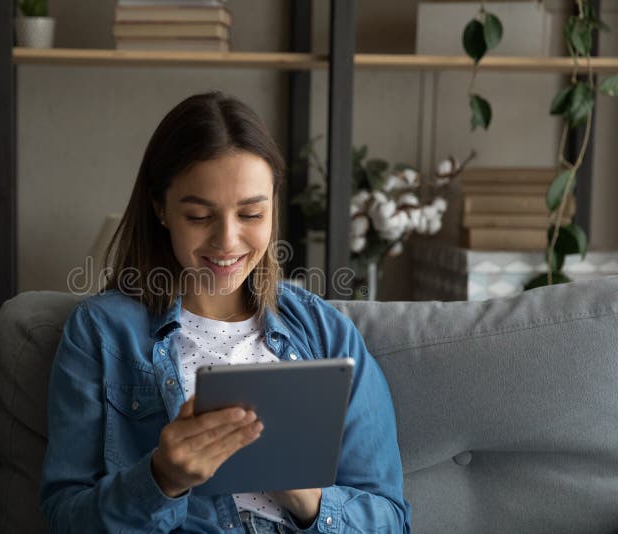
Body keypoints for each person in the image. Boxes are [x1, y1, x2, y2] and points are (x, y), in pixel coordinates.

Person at [40, 91, 411, 533]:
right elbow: (66, 519)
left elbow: (391, 520)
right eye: (199, 216)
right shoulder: (102, 332)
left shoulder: (327, 332)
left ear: (274, 206)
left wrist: (306, 498)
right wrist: (162, 479)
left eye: (252, 213)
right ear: (161, 208)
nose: (228, 242)